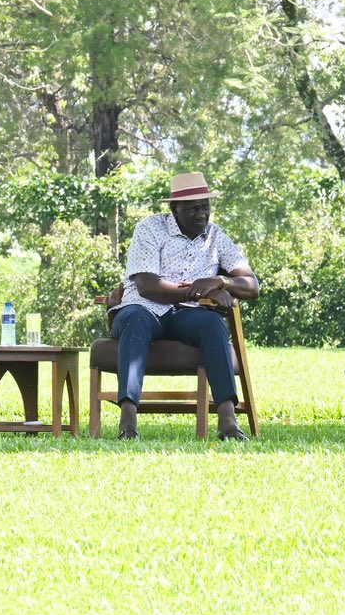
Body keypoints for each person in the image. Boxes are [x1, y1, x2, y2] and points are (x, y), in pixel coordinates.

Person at [111, 171, 260, 440]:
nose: (202, 214)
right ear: (174, 209)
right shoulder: (150, 228)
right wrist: (197, 290)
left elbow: (252, 285)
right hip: (143, 308)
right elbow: (147, 285)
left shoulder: (216, 236)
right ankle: (128, 422)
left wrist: (220, 282)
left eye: (205, 207)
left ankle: (228, 422)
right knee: (134, 319)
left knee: (213, 323)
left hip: (189, 316)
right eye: (193, 208)